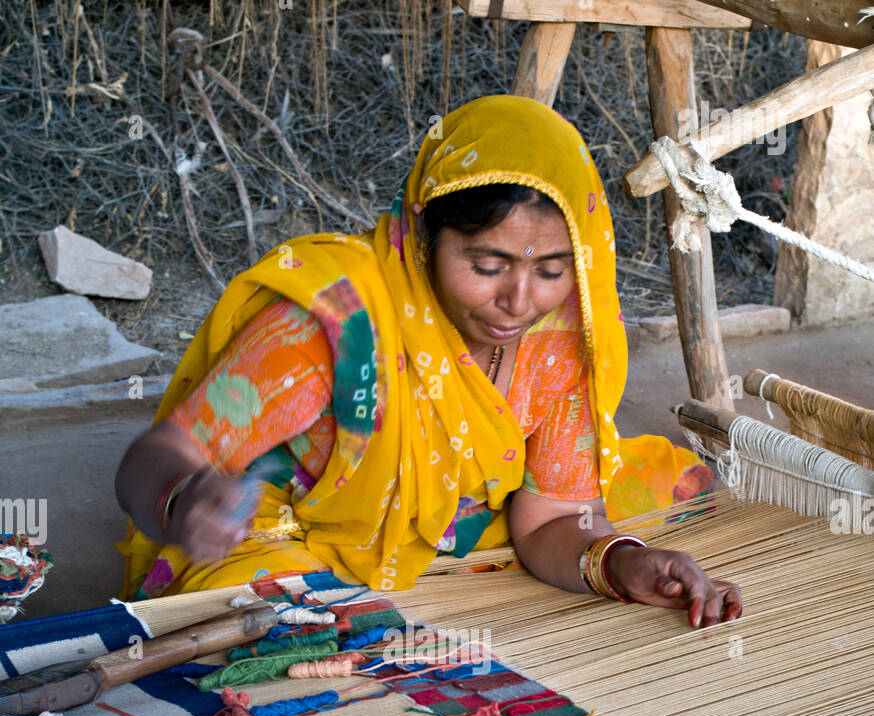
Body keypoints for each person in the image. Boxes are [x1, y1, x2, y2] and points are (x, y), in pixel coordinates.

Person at [115, 94, 741, 629]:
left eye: (551, 270)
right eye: (487, 267)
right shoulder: (338, 324)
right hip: (292, 532)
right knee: (275, 614)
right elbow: (158, 458)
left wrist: (621, 563)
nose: (518, 302)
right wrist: (185, 498)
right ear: (422, 233)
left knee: (675, 486)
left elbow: (549, 515)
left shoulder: (561, 337)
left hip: (458, 523)